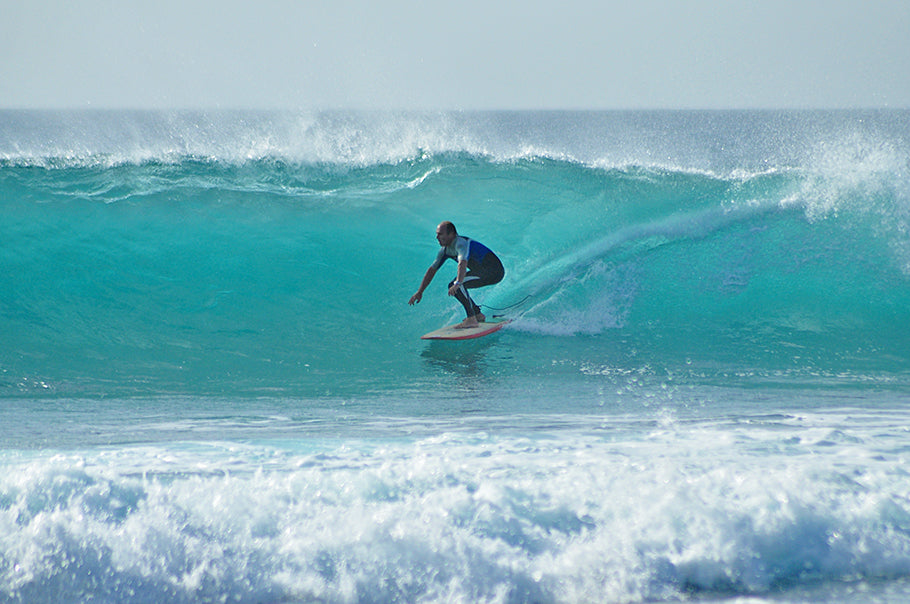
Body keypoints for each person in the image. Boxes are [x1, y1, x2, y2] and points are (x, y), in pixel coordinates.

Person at [409, 221, 505, 328]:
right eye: (437, 234)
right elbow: (432, 270)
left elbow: (462, 263)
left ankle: (471, 319)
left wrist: (458, 282)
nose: (437, 237)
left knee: (457, 285)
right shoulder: (444, 251)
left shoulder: (461, 243)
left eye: (440, 234)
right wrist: (420, 291)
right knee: (455, 285)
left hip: (495, 271)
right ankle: (477, 315)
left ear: (452, 234)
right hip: (482, 272)